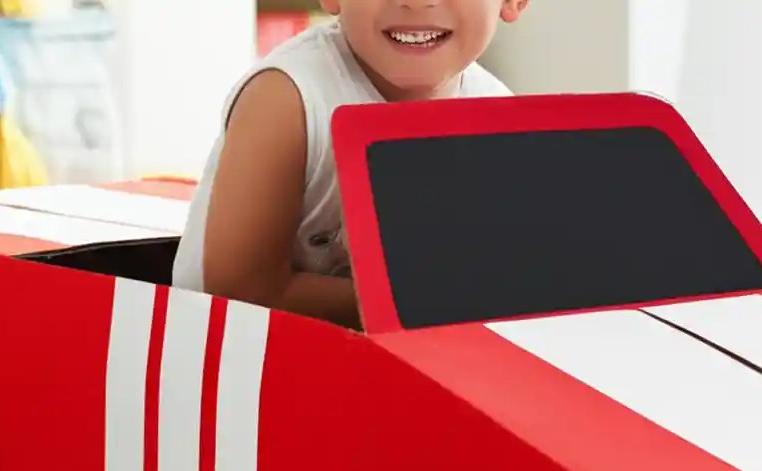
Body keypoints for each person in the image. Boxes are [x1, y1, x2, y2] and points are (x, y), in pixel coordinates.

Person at [172, 0, 529, 329]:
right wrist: (425, 304)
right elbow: (240, 289)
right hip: (228, 365)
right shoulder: (286, 97)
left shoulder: (499, 116)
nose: (417, 1)